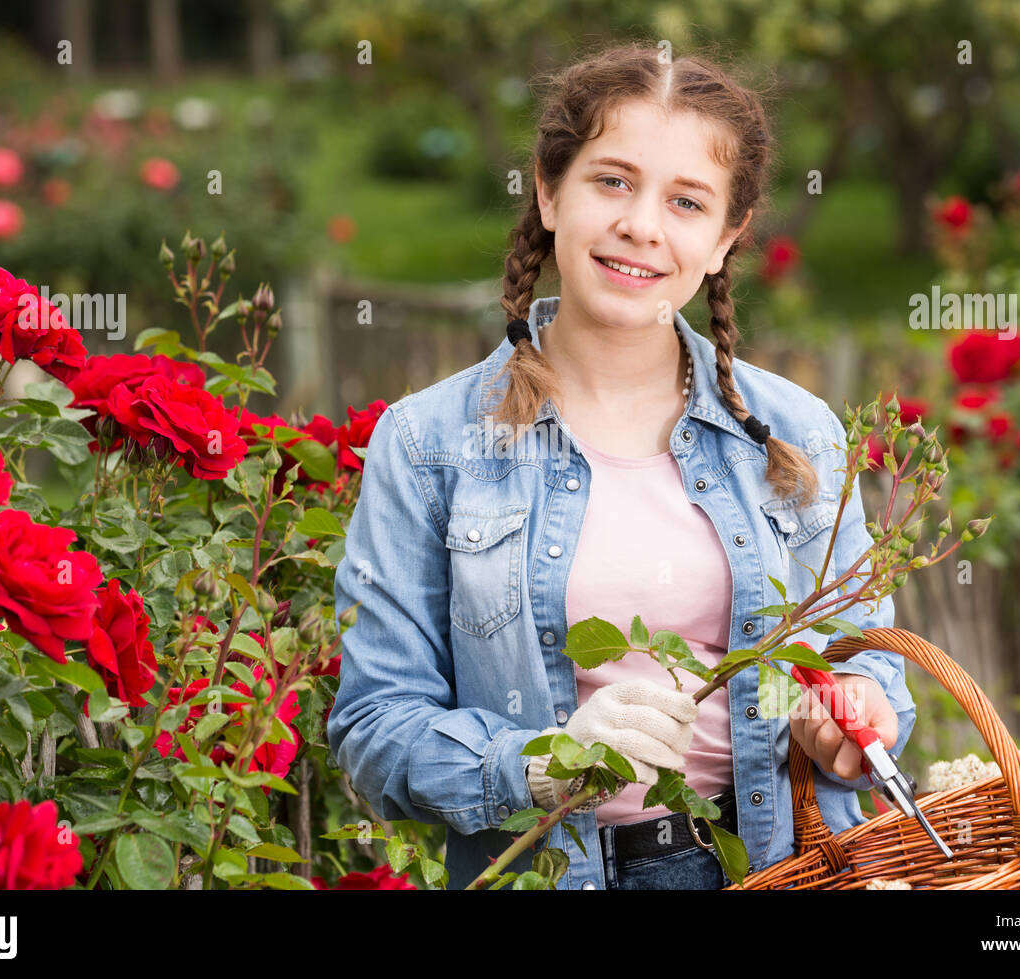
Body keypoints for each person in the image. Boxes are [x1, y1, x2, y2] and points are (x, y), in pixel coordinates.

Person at [328, 41, 915, 891]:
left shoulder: (797, 432)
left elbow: (867, 670)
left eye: (686, 201)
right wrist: (541, 765)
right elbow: (376, 727)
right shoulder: (429, 443)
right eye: (613, 180)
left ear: (726, 237)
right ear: (548, 189)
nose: (643, 224)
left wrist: (842, 720)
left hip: (770, 866)